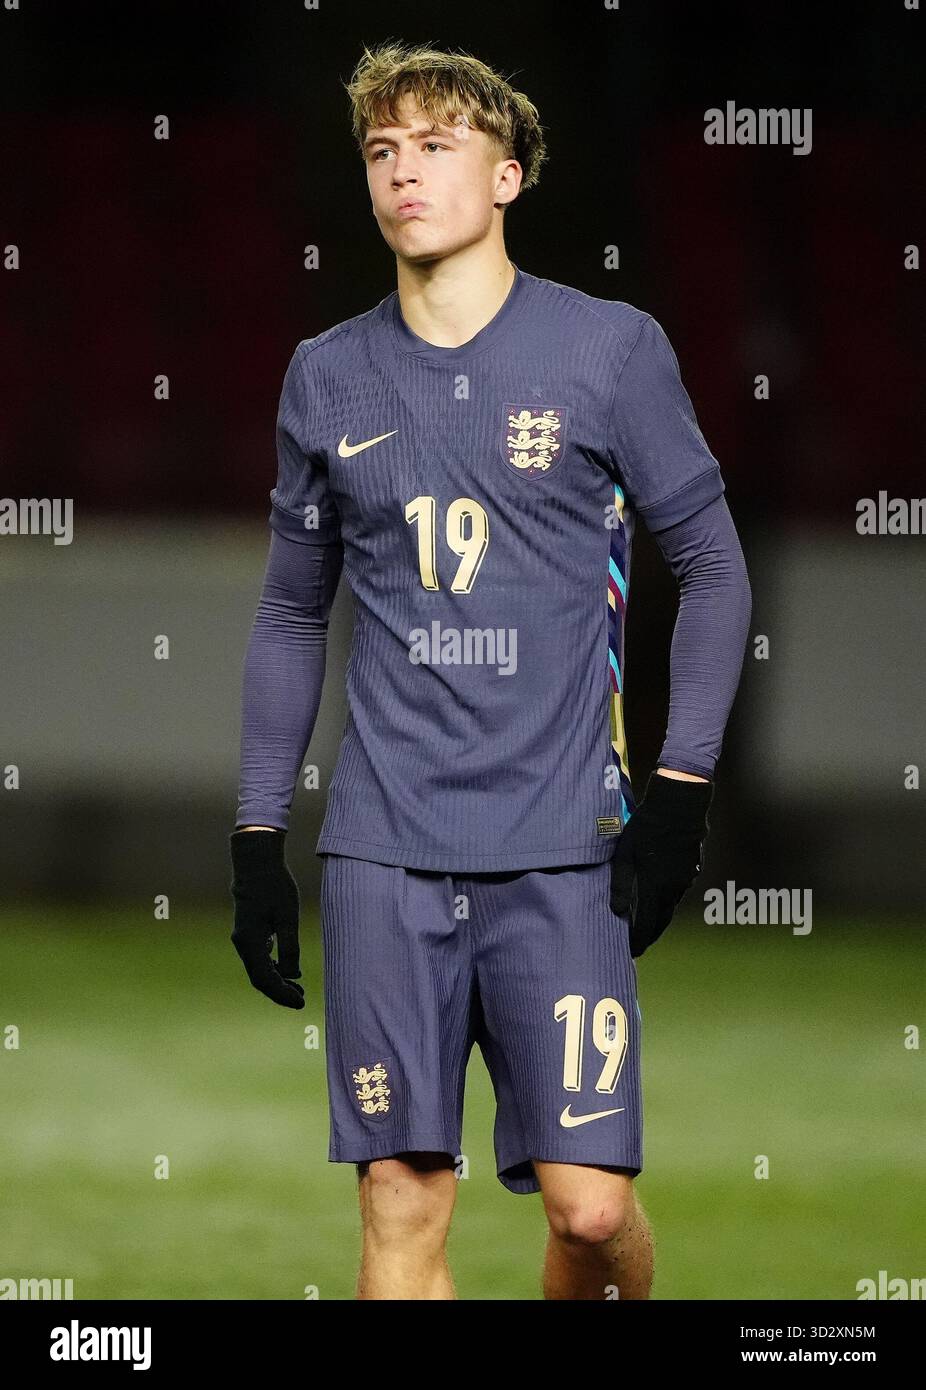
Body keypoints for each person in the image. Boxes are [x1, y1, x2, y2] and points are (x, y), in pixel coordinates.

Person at [229, 40, 751, 1300]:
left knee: (586, 1215)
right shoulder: (326, 373)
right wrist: (257, 834)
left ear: (508, 174)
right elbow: (291, 613)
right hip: (384, 847)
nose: (403, 172)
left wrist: (676, 797)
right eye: (380, 151)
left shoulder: (609, 350)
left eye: (436, 145)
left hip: (561, 849)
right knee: (400, 1202)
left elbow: (717, 573)